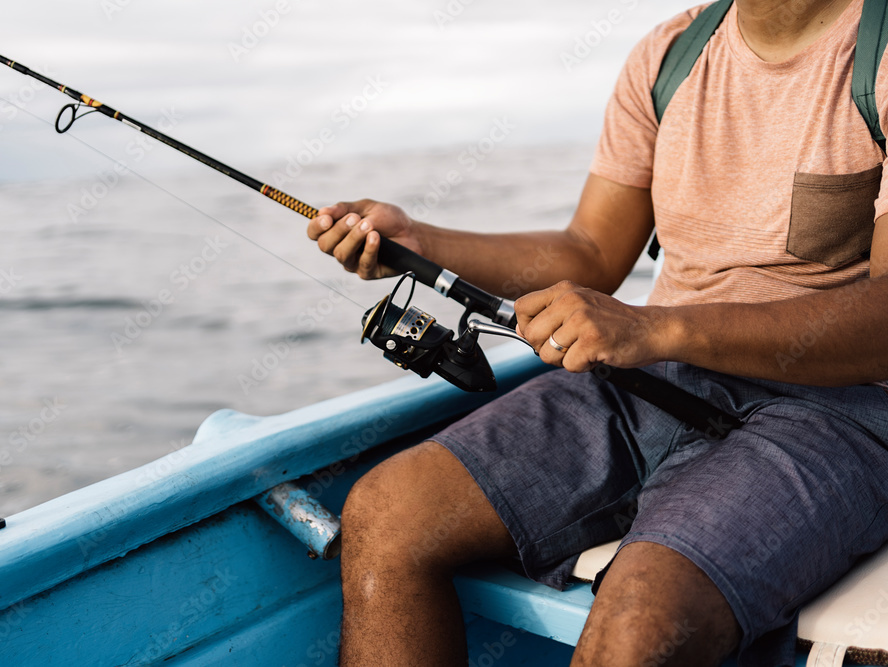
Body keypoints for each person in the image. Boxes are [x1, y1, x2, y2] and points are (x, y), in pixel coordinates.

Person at [306, 0, 888, 665]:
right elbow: (589, 252)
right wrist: (422, 241)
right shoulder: (670, 55)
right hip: (652, 374)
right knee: (388, 513)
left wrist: (659, 327)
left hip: (838, 406)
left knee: (641, 626)